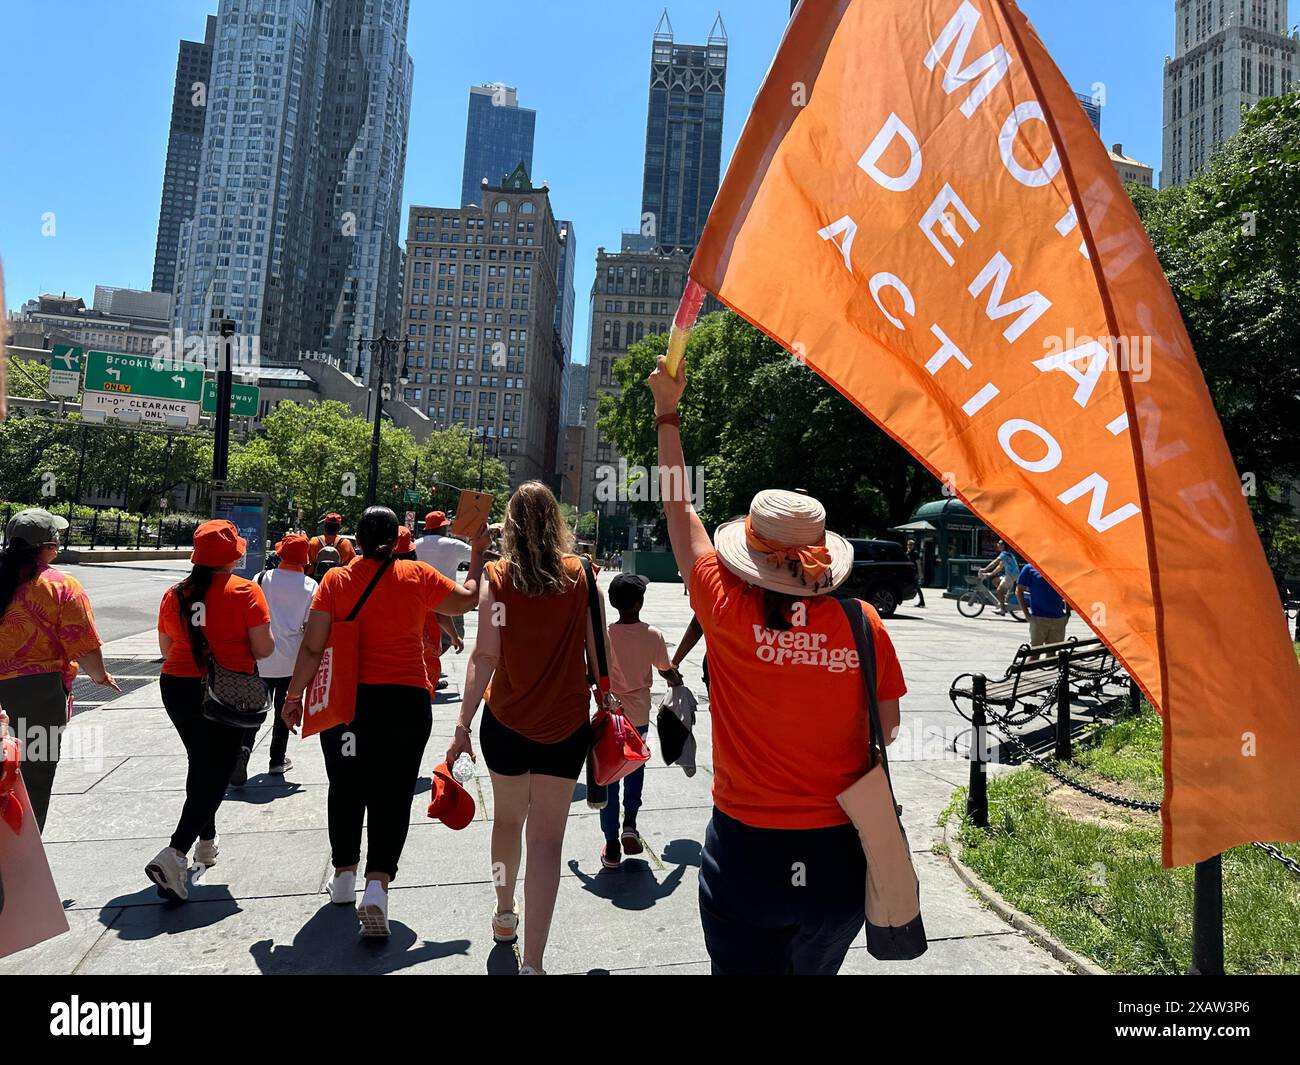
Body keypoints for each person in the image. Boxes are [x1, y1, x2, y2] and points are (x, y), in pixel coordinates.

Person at [647, 355, 908, 976]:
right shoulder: (862, 624)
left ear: (751, 554)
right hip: (841, 853)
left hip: (747, 853)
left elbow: (681, 510)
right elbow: (890, 726)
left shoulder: (723, 606)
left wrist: (668, 411)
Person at [445, 481, 627, 976]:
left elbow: (485, 655)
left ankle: (504, 914)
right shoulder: (580, 575)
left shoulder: (498, 579)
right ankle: (535, 962)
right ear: (556, 523)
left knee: (506, 823)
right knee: (548, 843)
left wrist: (462, 725)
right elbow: (597, 648)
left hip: (504, 722)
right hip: (565, 728)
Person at [282, 507, 486, 938]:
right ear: (396, 542)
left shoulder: (335, 581)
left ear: (354, 540)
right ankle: (377, 885)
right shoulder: (417, 576)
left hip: (347, 704)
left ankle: (343, 876)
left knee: (346, 785)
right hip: (405, 702)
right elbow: (467, 599)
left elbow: (313, 647)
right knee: (393, 793)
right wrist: (481, 555)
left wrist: (295, 695)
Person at [147, 520, 274, 901]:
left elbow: (167, 648)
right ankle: (176, 852)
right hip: (226, 691)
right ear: (235, 556)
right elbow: (264, 648)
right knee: (217, 771)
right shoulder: (246, 591)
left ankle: (206, 841)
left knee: (199, 762)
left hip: (178, 686)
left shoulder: (175, 594)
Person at [0, 508, 118, 830]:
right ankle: (20, 859)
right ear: (49, 546)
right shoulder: (61, 586)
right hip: (38, 696)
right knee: (33, 778)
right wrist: (100, 677)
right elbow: (85, 645)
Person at [600, 574, 683, 869]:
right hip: (638, 718)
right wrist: (677, 680)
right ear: (639, 603)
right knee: (634, 771)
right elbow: (665, 670)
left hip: (608, 718)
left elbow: (590, 672)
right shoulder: (653, 635)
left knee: (609, 778)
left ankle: (611, 845)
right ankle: (630, 825)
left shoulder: (604, 634)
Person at [233, 533, 317, 782]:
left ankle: (244, 750)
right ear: (305, 560)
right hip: (292, 661)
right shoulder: (311, 586)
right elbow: (308, 626)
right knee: (284, 711)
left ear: (279, 555)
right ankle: (277, 761)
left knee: (253, 711)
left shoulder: (261, 579)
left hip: (261, 656)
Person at [1016, 563, 1069, 659]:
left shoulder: (1060, 567)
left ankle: (1047, 674)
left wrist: (1067, 613)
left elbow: (1068, 591)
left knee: (1052, 655)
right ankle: (1027, 674)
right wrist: (1027, 614)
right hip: (1039, 618)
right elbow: (1019, 590)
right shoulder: (1030, 568)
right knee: (1034, 654)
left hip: (1058, 618)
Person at [979, 539, 1021, 615]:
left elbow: (994, 562)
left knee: (999, 591)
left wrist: (984, 569)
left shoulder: (1004, 554)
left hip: (1011, 575)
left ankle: (1002, 609)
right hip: (1010, 575)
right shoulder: (1007, 554)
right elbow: (999, 567)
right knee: (995, 581)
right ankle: (1003, 598)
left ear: (1003, 545)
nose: (997, 545)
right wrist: (991, 574)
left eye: (999, 543)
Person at [308, 513, 355, 578]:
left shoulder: (314, 541)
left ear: (325, 526)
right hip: (338, 581)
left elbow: (307, 564)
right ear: (339, 528)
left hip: (316, 582)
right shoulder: (346, 543)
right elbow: (352, 566)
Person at [906, 539, 926, 609]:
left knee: (917, 587)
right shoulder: (908, 553)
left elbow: (918, 564)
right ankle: (921, 601)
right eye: (908, 544)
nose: (909, 546)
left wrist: (920, 574)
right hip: (910, 573)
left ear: (913, 545)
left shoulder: (915, 553)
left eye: (911, 545)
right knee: (916, 587)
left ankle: (922, 602)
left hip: (915, 573)